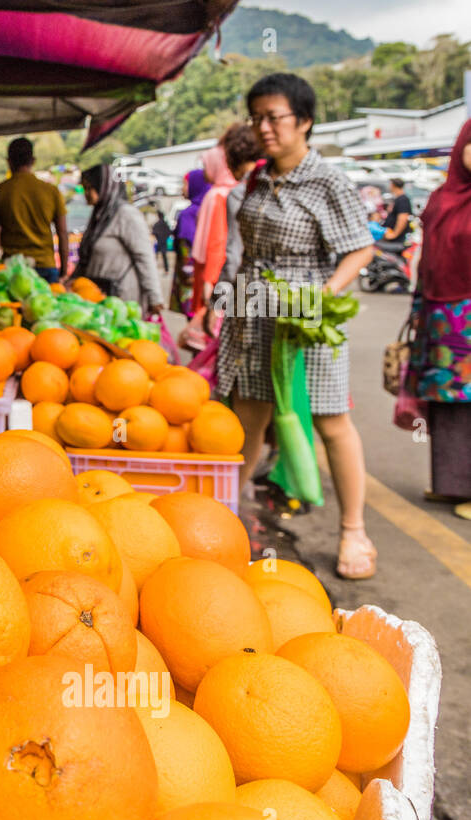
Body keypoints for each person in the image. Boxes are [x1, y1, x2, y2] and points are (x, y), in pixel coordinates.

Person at [216, 73, 377, 579]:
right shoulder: (257, 179)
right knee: (248, 416)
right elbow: (243, 251)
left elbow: (360, 247)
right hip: (254, 308)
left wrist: (323, 297)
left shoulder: (329, 180)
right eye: (256, 117)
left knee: (330, 420)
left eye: (274, 117)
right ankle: (228, 523)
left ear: (303, 121)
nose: (263, 127)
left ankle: (353, 530)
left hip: (307, 314)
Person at [409, 118, 471, 519]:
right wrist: (417, 308)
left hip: (465, 316)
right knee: (444, 404)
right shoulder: (441, 199)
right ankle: (452, 484)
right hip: (439, 317)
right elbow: (426, 258)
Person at [182, 125, 264, 351]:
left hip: (243, 289)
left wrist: (213, 292)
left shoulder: (232, 193)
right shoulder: (253, 187)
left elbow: (225, 247)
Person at [69, 164, 165, 316]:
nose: (86, 193)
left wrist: (155, 298)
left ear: (105, 186)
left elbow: (144, 257)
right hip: (97, 296)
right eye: (84, 189)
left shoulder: (126, 214)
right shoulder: (99, 216)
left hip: (122, 298)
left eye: (90, 188)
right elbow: (86, 258)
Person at [0, 137, 67, 280]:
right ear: (33, 161)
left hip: (12, 267)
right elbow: (62, 232)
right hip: (45, 265)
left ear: (9, 161)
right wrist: (63, 269)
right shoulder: (52, 191)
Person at [168, 168, 210, 313]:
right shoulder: (211, 209)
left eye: (185, 184)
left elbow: (185, 247)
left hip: (192, 279)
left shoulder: (188, 214)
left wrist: (188, 274)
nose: (182, 188)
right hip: (208, 278)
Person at [381, 177, 413, 248]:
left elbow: (403, 218)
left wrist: (394, 234)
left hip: (397, 240)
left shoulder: (403, 199)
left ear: (393, 185)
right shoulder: (398, 198)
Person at [150, 206, 171, 273]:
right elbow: (169, 232)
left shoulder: (157, 224)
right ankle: (166, 270)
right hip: (163, 242)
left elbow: (153, 232)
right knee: (164, 256)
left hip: (158, 242)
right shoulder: (165, 224)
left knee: (155, 257)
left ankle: (153, 269)